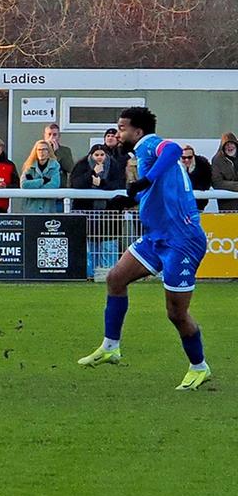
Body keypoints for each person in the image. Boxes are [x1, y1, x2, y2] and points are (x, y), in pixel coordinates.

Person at [78, 106, 212, 390]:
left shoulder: (150, 143)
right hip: (156, 236)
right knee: (116, 278)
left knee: (176, 313)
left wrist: (144, 180)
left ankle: (199, 367)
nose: (118, 132)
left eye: (122, 127)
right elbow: (158, 190)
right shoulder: (141, 155)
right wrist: (129, 199)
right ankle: (111, 346)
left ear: (137, 131)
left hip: (182, 239)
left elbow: (173, 149)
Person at [67, 143, 125, 209]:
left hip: (108, 206)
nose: (99, 157)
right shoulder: (82, 164)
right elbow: (75, 183)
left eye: (102, 155)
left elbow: (119, 183)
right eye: (96, 155)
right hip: (84, 204)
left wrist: (101, 183)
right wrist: (92, 173)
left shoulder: (113, 165)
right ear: (92, 155)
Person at [18, 138, 62, 212]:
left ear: (48, 152)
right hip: (31, 209)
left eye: (44, 149)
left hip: (48, 208)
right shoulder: (29, 167)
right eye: (39, 150)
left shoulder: (54, 166)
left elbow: (54, 185)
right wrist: (43, 181)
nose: (42, 152)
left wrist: (34, 185)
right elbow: (24, 185)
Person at [179, 144, 212, 209]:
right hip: (179, 204)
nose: (187, 160)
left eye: (189, 157)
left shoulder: (203, 165)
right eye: (184, 157)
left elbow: (206, 182)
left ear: (193, 156)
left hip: (198, 203)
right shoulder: (175, 166)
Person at [213, 132, 238, 207]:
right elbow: (217, 183)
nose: (229, 147)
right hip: (227, 205)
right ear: (222, 147)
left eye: (232, 144)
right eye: (226, 144)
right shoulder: (217, 160)